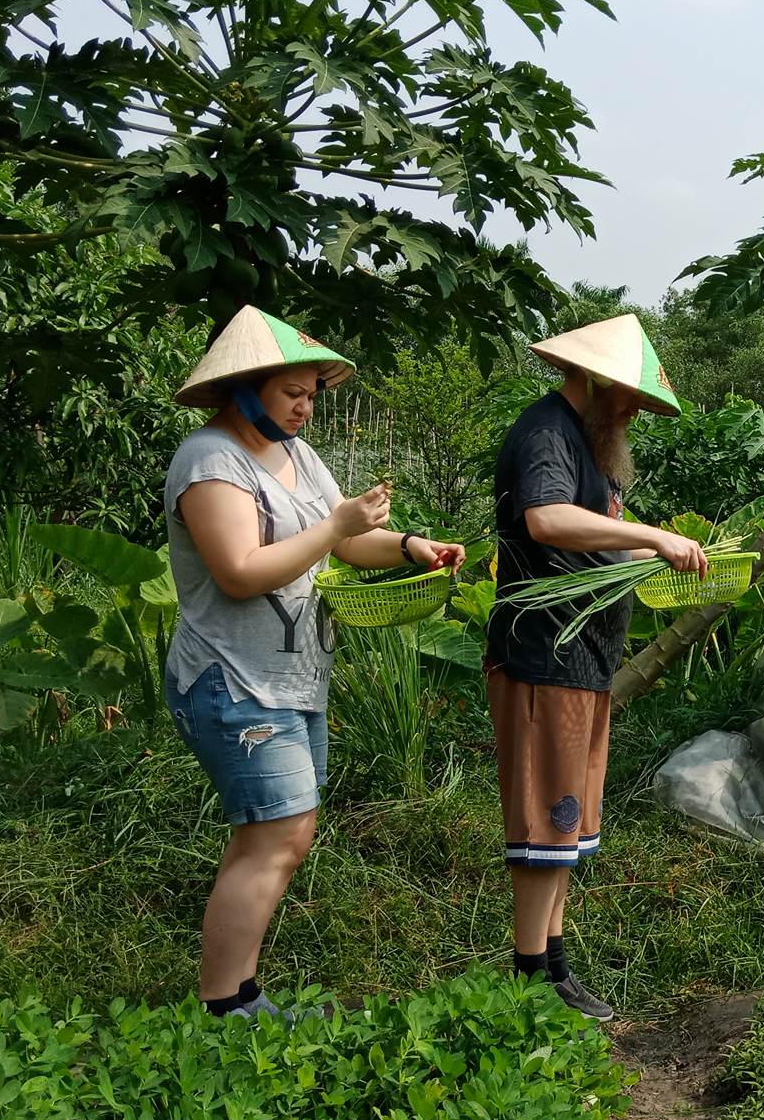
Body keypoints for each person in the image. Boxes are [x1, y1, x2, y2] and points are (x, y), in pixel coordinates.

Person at [165, 305, 465, 1020]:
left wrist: (409, 546)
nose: (305, 407)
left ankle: (238, 994)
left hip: (292, 678)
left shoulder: (296, 455)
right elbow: (240, 571)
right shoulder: (209, 460)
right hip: (231, 677)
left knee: (283, 834)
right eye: (291, 393)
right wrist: (336, 525)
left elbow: (349, 543)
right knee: (275, 834)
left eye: (312, 394)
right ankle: (224, 1005)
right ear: (246, 389)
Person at [488, 314, 704, 1022]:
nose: (635, 411)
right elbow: (546, 521)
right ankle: (529, 980)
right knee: (543, 824)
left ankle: (553, 964)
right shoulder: (547, 432)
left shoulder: (588, 443)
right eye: (631, 397)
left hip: (584, 661)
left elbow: (598, 542)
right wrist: (653, 535)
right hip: (542, 654)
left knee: (567, 824)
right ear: (598, 380)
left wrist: (664, 553)